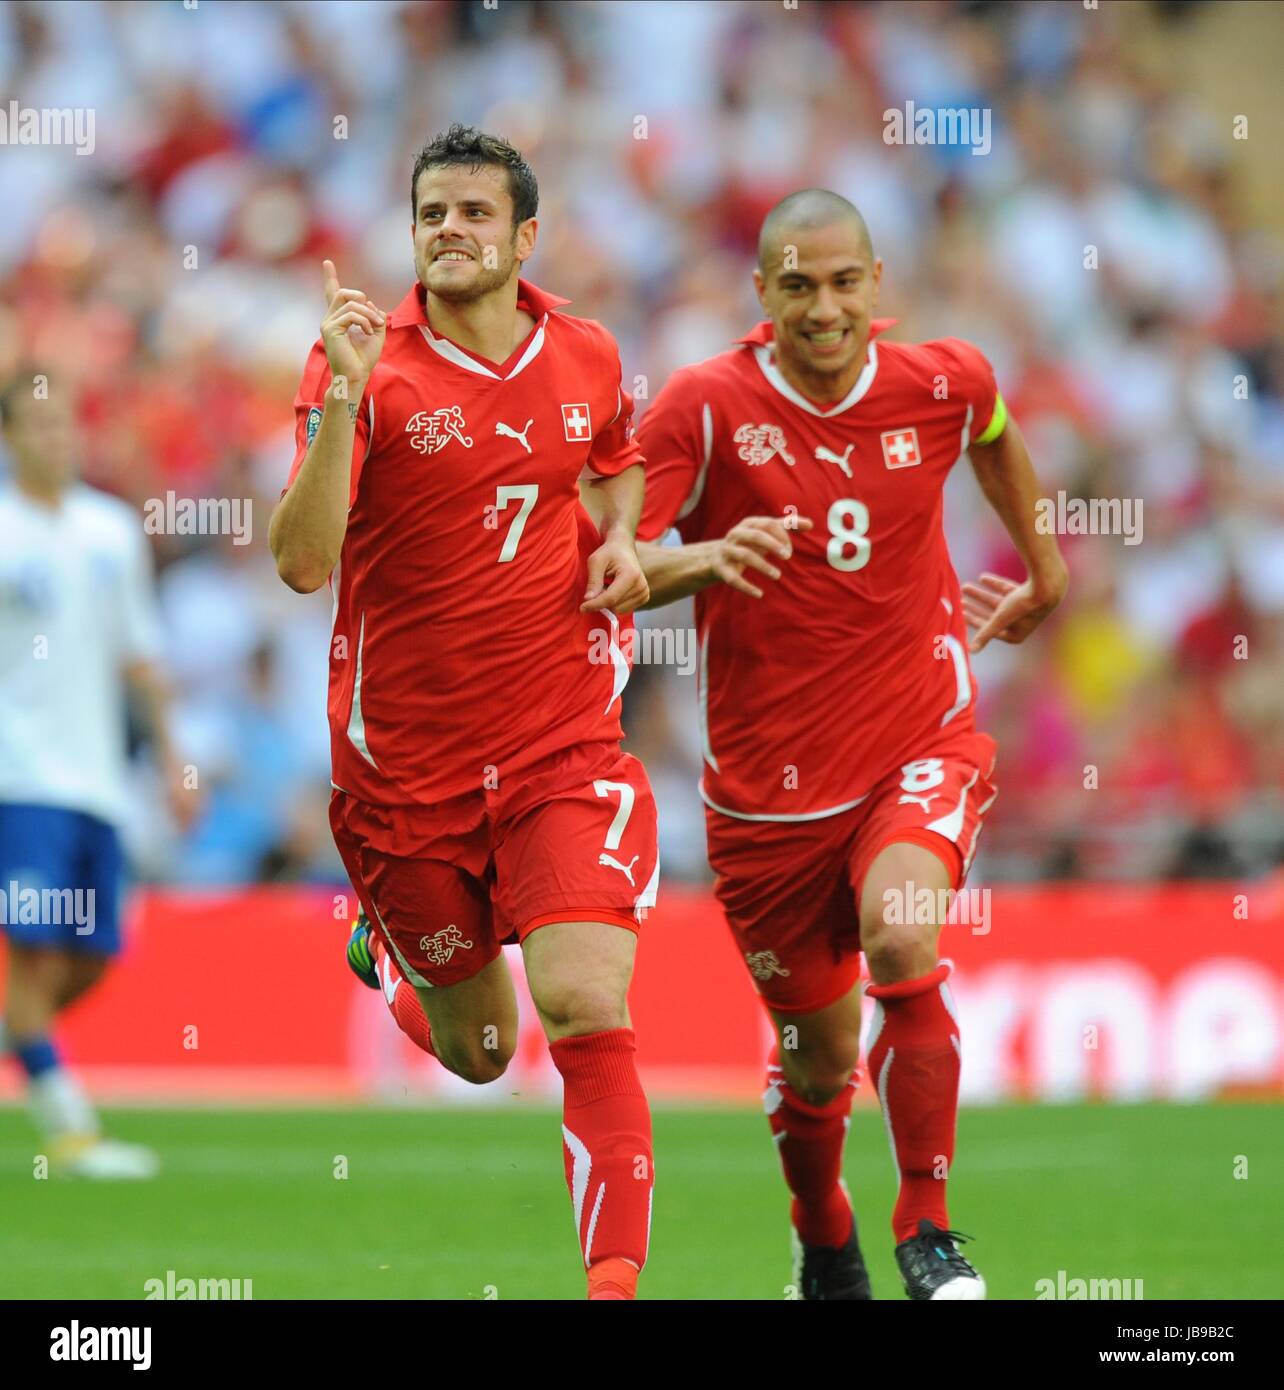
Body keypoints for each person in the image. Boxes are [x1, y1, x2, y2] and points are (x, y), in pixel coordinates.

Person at [634, 189, 1068, 1300]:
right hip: (764, 803)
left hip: (917, 741)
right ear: (761, 292)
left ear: (876, 285)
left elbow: (995, 429)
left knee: (903, 931)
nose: (822, 307)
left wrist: (1046, 567)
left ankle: (928, 1226)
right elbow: (610, 568)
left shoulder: (941, 379)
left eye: (842, 282)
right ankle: (825, 1239)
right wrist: (705, 555)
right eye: (796, 284)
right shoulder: (705, 407)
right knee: (817, 1062)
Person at [269, 125, 658, 1301]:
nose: (449, 230)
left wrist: (629, 540)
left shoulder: (584, 351)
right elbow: (299, 564)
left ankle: (613, 1288)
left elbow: (616, 457)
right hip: (403, 778)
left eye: (474, 213)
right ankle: (386, 957)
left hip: (559, 742)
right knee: (483, 1056)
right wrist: (340, 399)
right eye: (431, 212)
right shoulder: (360, 364)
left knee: (586, 1001)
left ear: (524, 235)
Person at [0, 373, 191, 1179]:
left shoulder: (110, 533)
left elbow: (140, 657)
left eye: (63, 422)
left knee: (93, 957)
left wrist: (175, 759)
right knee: (35, 953)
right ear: (9, 437)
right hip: (19, 775)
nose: (56, 438)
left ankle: (27, 1043)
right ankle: (71, 1132)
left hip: (98, 783)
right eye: (37, 424)